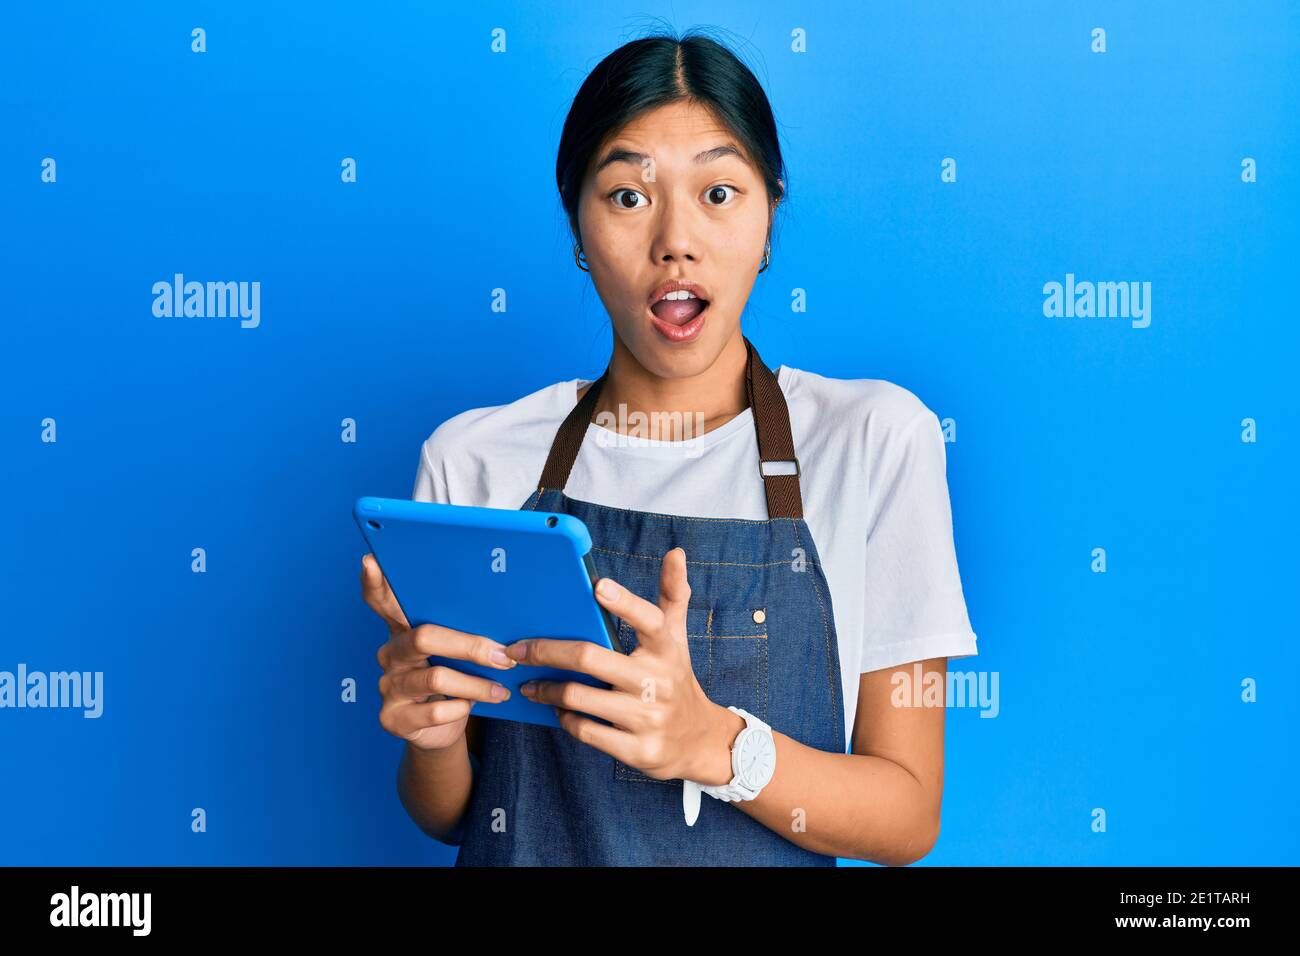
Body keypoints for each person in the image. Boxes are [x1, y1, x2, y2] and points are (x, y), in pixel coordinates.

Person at [361, 30, 978, 866]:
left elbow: (907, 817)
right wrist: (428, 736)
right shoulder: (473, 460)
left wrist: (712, 744)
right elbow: (449, 815)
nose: (675, 240)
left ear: (770, 218)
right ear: (577, 226)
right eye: (626, 196)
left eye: (719, 192)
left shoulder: (875, 440)